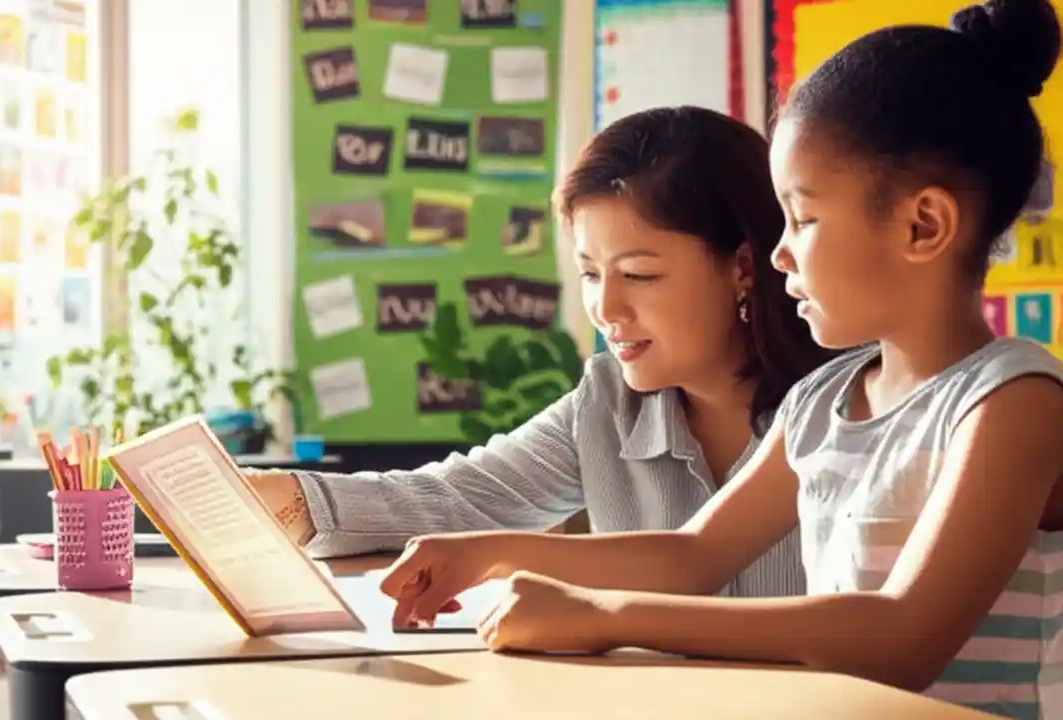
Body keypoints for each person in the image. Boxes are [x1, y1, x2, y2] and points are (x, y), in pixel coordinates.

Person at [378, 1, 1063, 717]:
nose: (778, 253)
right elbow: (693, 555)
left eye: (804, 218)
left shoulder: (1013, 401)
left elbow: (904, 636)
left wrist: (608, 617)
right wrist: (482, 554)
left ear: (923, 225)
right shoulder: (824, 401)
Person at [246, 107, 834, 598]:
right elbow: (456, 500)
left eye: (639, 274)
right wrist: (282, 498)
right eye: (588, 273)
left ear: (743, 267)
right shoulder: (606, 404)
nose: (607, 308)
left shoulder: (851, 403)